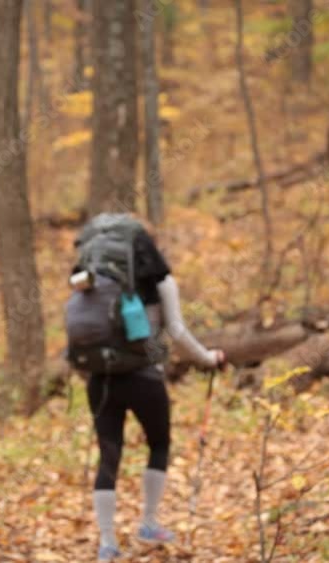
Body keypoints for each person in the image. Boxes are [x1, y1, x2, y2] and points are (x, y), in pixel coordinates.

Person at [72, 216, 225, 561]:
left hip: (101, 378)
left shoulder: (94, 280)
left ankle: (108, 543)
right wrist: (208, 358)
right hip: (145, 376)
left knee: (109, 456)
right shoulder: (162, 281)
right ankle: (148, 522)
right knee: (159, 444)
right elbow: (176, 331)